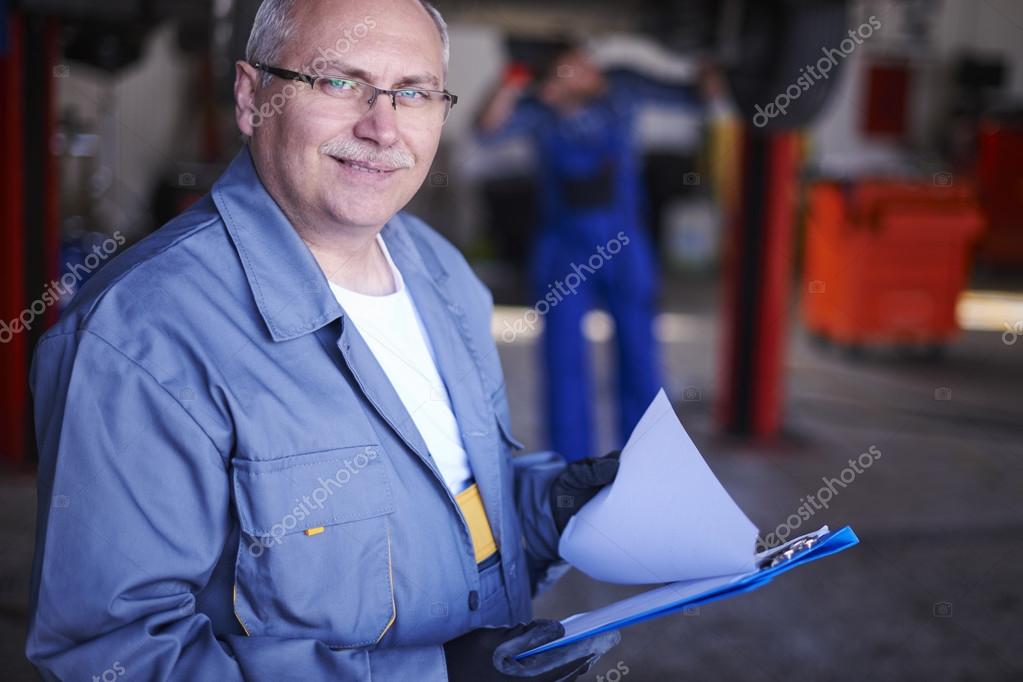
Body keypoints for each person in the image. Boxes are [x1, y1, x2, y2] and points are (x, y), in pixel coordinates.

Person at [25, 1, 622, 679]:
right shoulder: (141, 338)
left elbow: (448, 498)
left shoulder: (442, 273)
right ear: (252, 99)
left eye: (414, 93)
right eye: (340, 83)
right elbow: (116, 654)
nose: (381, 127)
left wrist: (558, 504)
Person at [475, 42, 702, 461]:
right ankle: (572, 468)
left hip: (624, 246)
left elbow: (697, 96)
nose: (585, 70)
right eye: (568, 68)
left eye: (583, 62)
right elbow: (485, 130)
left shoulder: (622, 89)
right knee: (563, 363)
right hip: (564, 250)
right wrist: (512, 80)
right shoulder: (539, 109)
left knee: (641, 357)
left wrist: (720, 54)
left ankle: (645, 460)